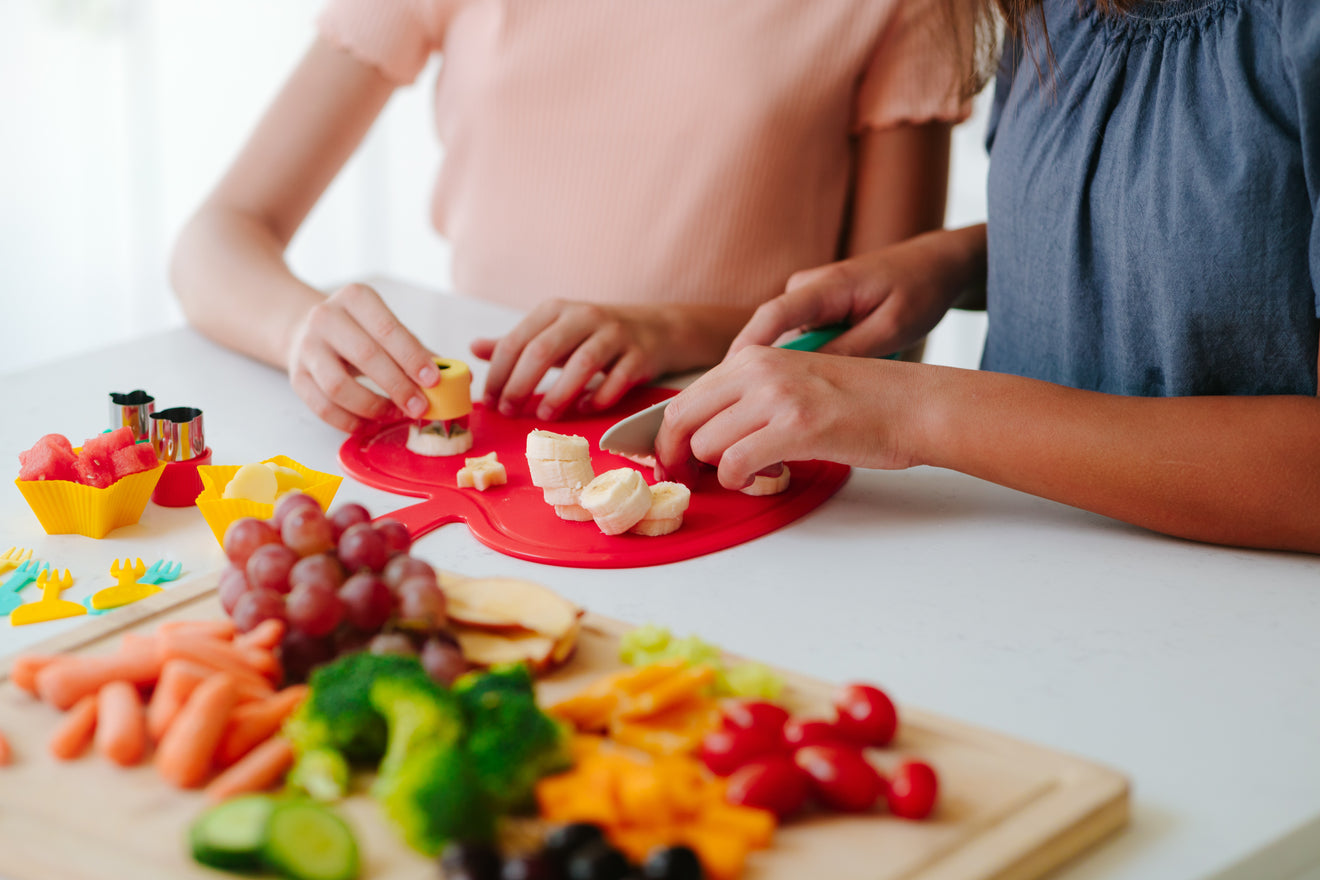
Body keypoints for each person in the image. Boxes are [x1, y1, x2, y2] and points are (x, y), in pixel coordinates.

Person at [655, 0, 1320, 555]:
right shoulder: (1041, 11)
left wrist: (909, 410)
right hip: (1011, 577)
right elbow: (1204, 228)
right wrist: (954, 263)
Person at [170, 0, 984, 433]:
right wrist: (300, 333)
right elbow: (215, 238)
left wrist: (667, 330)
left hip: (722, 448)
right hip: (489, 442)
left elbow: (890, 343)